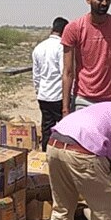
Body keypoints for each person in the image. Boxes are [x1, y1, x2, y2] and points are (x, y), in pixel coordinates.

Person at [61, 0, 111, 115]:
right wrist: (65, 109)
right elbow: (68, 71)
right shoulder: (74, 28)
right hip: (84, 98)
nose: (104, 3)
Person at [32, 17, 69, 151]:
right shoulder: (62, 47)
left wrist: (38, 90)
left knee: (46, 127)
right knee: (65, 128)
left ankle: (45, 154)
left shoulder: (38, 48)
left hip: (43, 95)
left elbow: (36, 75)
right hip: (58, 96)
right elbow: (64, 72)